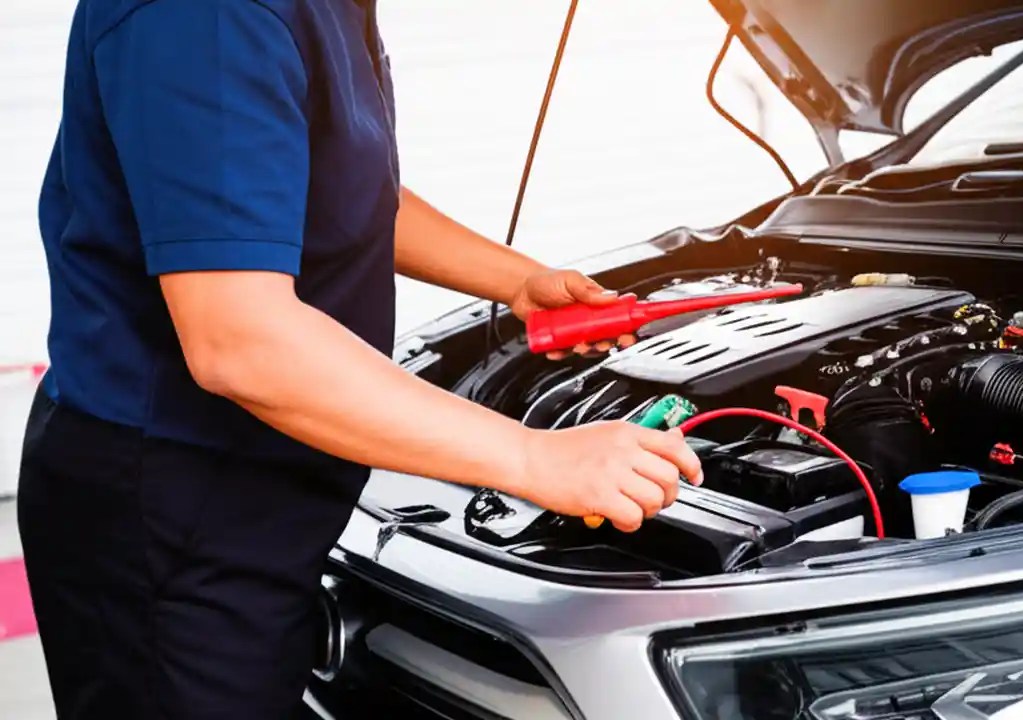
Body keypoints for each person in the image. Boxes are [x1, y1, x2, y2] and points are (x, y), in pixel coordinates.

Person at [18, 1, 703, 718]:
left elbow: (322, 182)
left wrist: (516, 282)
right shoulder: (208, 16)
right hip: (171, 508)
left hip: (259, 479)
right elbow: (239, 342)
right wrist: (537, 460)